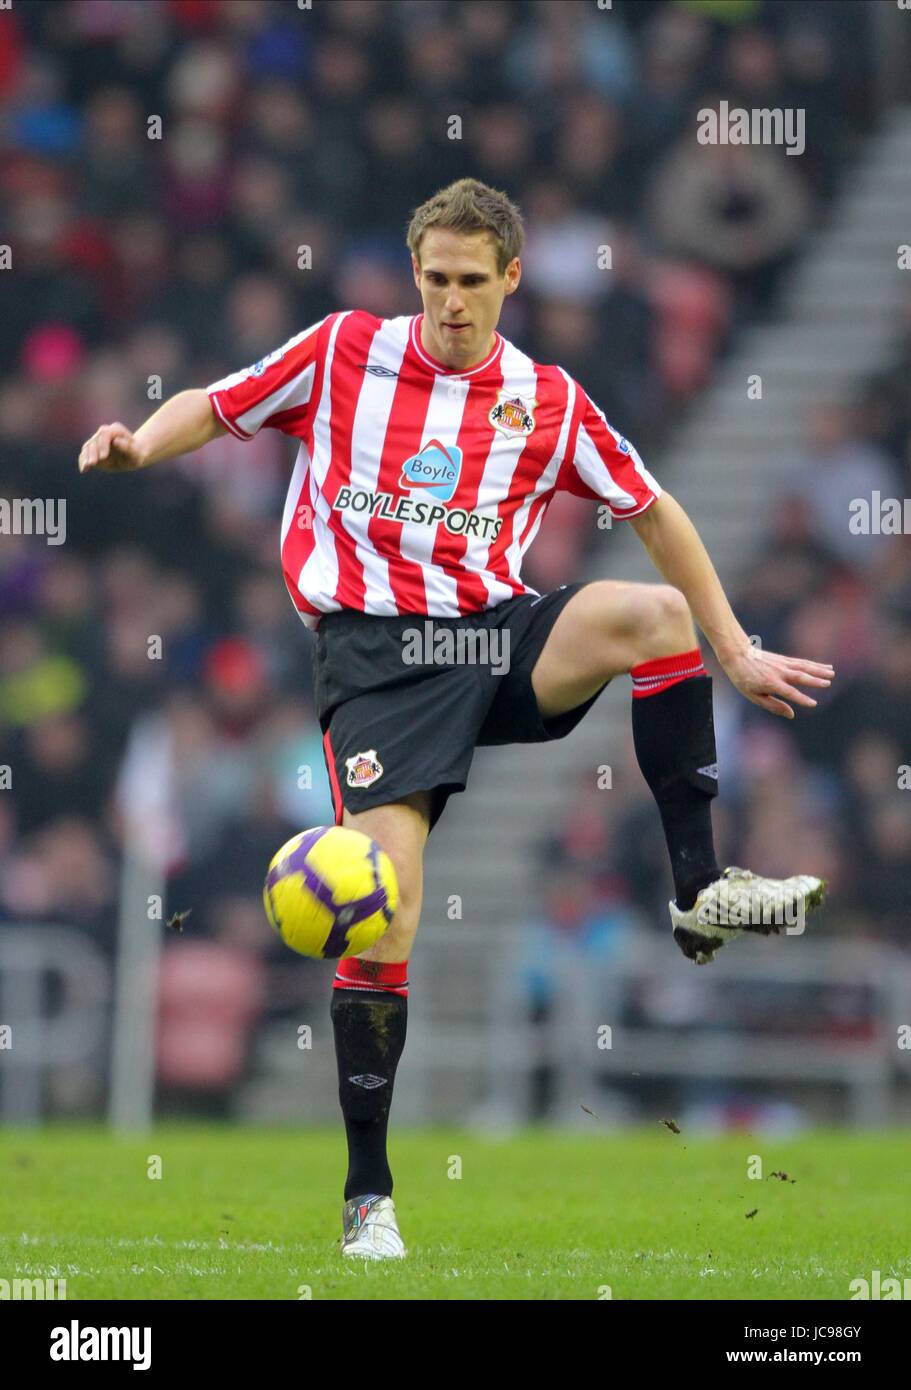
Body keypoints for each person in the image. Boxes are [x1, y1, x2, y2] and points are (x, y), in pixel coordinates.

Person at [78, 177, 833, 1261]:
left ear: (511, 279)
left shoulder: (545, 398)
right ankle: (367, 1198)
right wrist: (142, 444)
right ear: (413, 273)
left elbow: (655, 510)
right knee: (385, 921)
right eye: (434, 279)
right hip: (377, 666)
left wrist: (734, 645)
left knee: (656, 616)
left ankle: (697, 889)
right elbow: (218, 399)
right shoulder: (342, 350)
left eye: (472, 282)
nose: (450, 303)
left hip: (491, 636)